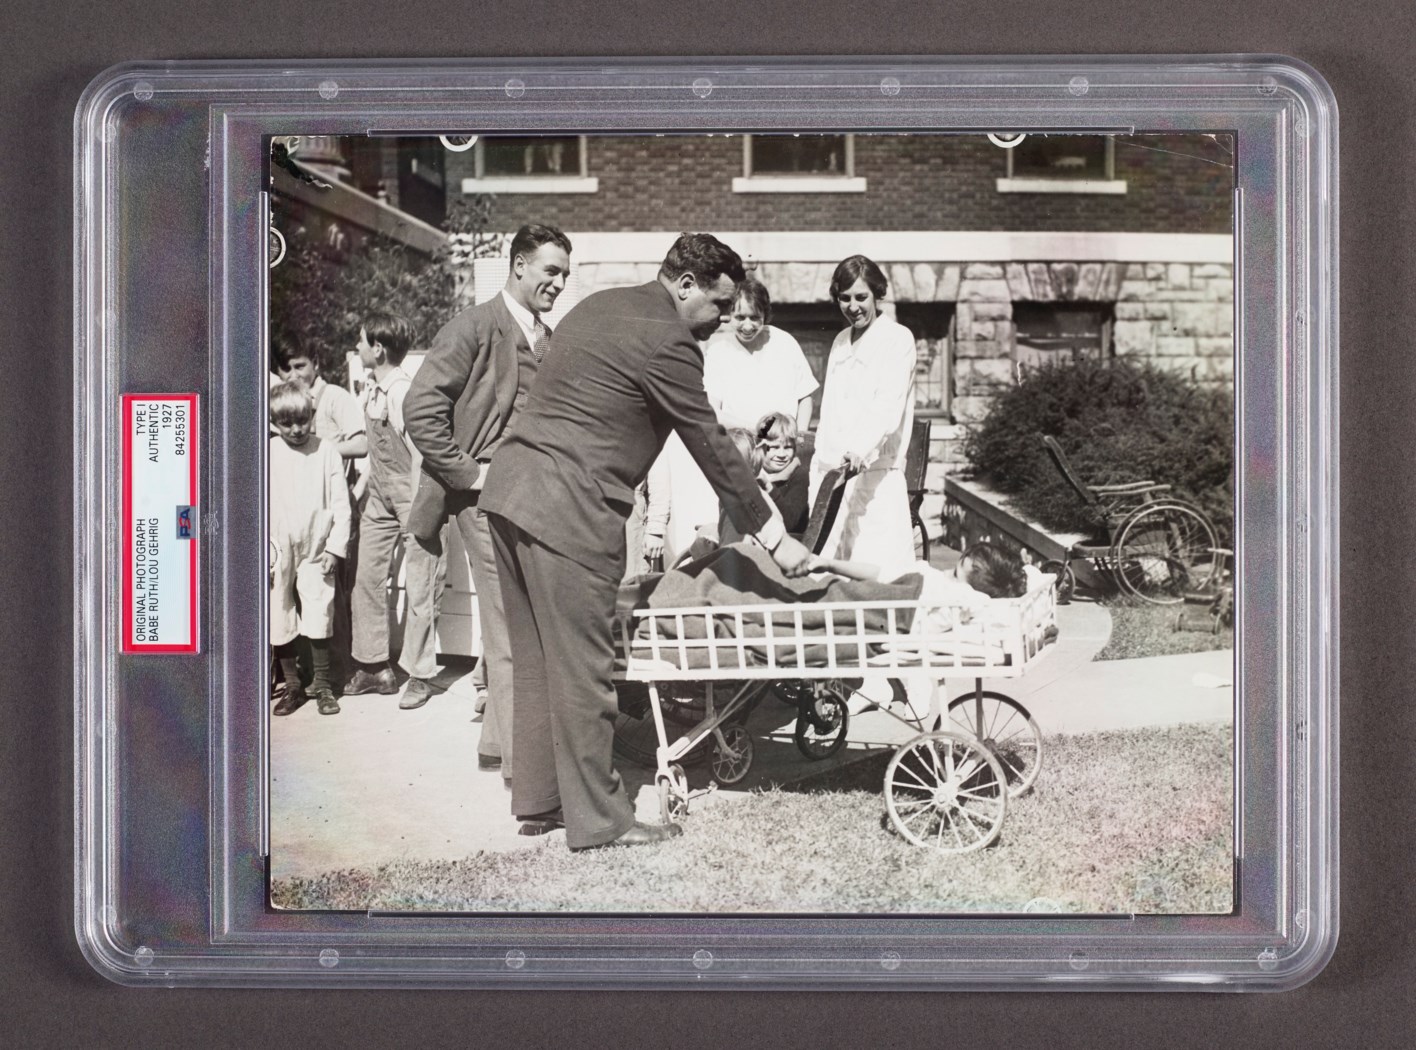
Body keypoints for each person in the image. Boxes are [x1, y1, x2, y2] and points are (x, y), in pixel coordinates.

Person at [479, 233, 812, 850]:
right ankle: (601, 820)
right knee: (585, 669)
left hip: (509, 494)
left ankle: (541, 801)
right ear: (684, 286)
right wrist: (774, 536)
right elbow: (710, 443)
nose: (719, 321)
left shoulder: (601, 304)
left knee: (536, 663)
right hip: (569, 510)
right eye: (716, 305)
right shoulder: (670, 340)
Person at [404, 223, 574, 779]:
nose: (559, 283)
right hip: (484, 503)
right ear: (519, 264)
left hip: (534, 501)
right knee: (508, 627)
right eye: (551, 271)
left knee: (524, 621)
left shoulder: (547, 338)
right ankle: (523, 769)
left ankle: (499, 745)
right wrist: (469, 474)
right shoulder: (473, 327)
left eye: (565, 275)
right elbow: (419, 409)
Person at [344, 315, 446, 711]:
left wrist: (423, 510)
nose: (358, 346)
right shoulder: (372, 390)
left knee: (422, 584)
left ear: (379, 349)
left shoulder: (403, 393)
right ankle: (374, 666)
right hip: (379, 496)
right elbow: (373, 451)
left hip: (411, 494)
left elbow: (422, 455)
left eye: (362, 341)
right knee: (366, 576)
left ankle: (420, 675)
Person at [809, 254, 918, 564]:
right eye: (844, 298)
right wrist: (822, 462)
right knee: (831, 570)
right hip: (834, 476)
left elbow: (887, 406)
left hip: (875, 475)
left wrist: (858, 450)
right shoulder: (841, 341)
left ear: (877, 293)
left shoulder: (898, 339)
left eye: (861, 297)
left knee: (876, 573)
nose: (852, 306)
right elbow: (829, 409)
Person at [268, 382, 353, 716]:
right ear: (274, 422)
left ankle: (322, 685)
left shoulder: (325, 450)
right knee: (279, 611)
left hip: (317, 545)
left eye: (302, 420)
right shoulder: (271, 452)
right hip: (278, 545)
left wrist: (335, 547)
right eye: (286, 423)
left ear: (311, 415)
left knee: (320, 610)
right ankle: (291, 686)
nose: (296, 429)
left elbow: (341, 504)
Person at [703, 278, 818, 432]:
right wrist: (761, 431)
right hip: (741, 446)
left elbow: (804, 396)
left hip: (783, 448)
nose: (748, 326)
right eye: (740, 317)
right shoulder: (717, 353)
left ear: (765, 314)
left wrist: (801, 434)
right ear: (729, 314)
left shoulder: (784, 342)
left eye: (755, 317)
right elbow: (713, 413)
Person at [754, 411, 812, 536]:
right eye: (774, 447)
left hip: (785, 542)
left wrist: (770, 488)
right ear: (760, 447)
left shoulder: (799, 476)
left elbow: (790, 523)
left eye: (787, 448)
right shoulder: (752, 470)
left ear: (795, 448)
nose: (781, 455)